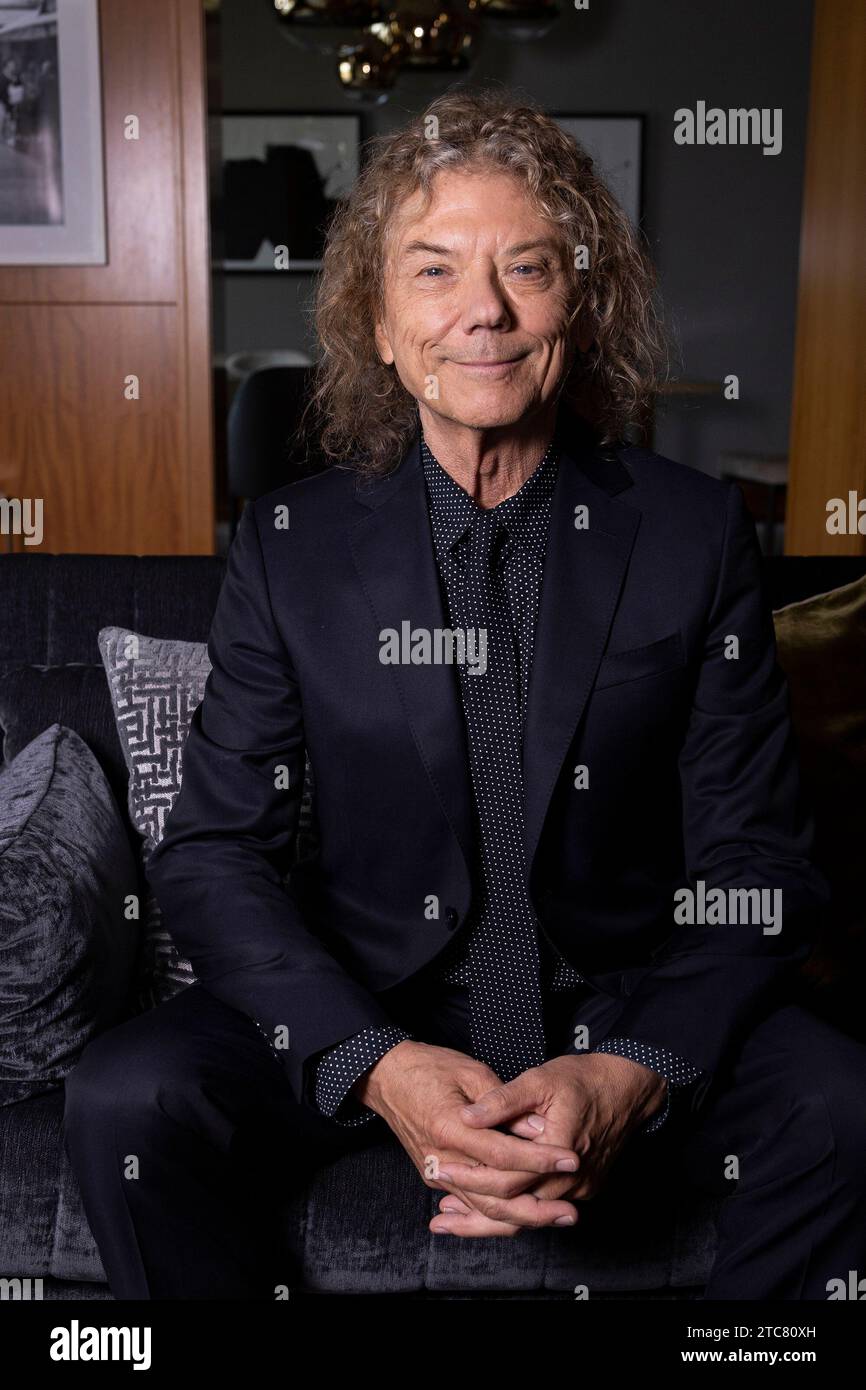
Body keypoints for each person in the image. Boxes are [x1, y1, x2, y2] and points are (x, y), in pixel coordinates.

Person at [64, 85, 866, 1300]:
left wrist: (634, 1066)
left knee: (844, 1101)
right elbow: (214, 856)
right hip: (369, 995)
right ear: (377, 325)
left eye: (526, 269)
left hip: (618, 994)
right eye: (433, 271)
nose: (481, 312)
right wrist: (375, 1060)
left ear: (576, 309)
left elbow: (760, 865)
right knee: (127, 1097)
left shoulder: (693, 533)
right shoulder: (289, 544)